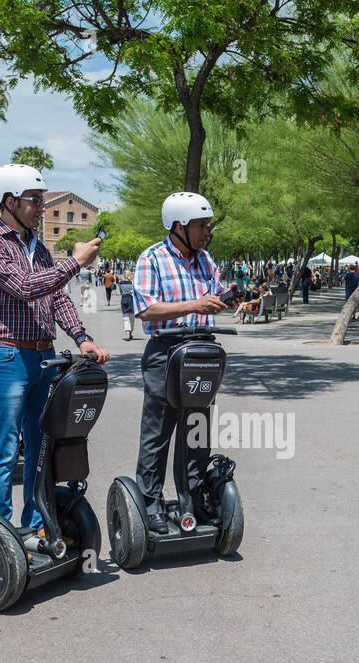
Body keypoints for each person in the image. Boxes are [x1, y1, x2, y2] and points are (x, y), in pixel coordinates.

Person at [0, 164, 108, 529]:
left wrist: (82, 337)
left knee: (40, 445)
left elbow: (56, 297)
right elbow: (27, 286)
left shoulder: (38, 247)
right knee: (3, 449)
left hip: (44, 355)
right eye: (34, 200)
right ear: (11, 202)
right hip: (8, 354)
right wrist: (76, 261)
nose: (41, 207)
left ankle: (33, 526)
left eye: (42, 201)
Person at [131, 191, 226, 534]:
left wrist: (228, 299)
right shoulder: (151, 259)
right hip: (166, 351)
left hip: (202, 351)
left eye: (206, 226)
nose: (206, 232)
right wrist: (193, 305)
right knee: (158, 431)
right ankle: (151, 502)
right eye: (201, 225)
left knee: (197, 432)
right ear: (179, 226)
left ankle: (194, 499)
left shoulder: (206, 260)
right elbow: (145, 308)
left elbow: (212, 295)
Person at [117, 268, 137, 341]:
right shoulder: (132, 283)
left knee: (125, 318)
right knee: (132, 318)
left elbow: (121, 292)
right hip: (131, 300)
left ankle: (128, 334)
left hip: (124, 300)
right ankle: (130, 332)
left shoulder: (121, 283)